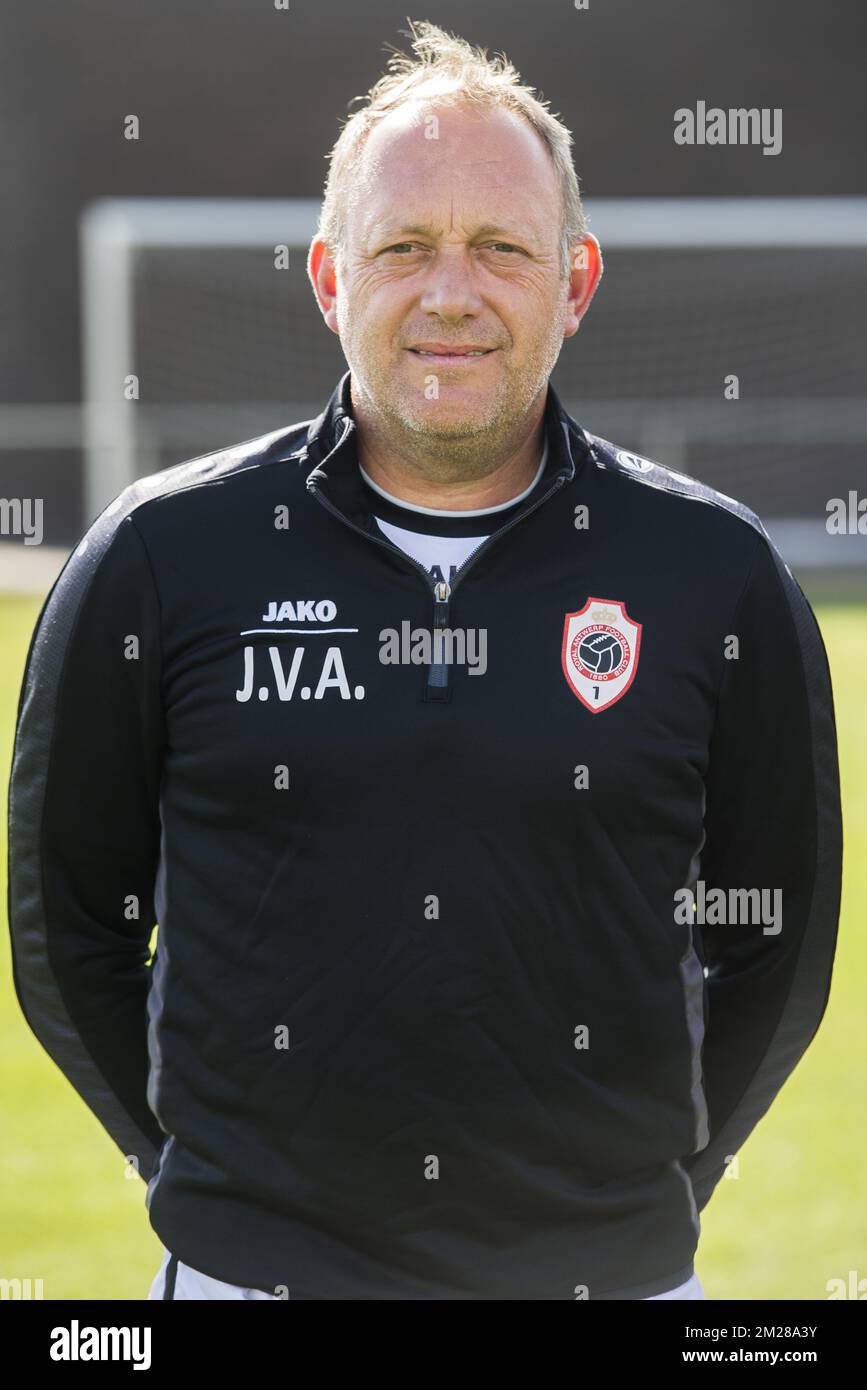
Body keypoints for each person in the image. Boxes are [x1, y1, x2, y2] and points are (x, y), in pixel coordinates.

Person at [7, 20, 841, 1302]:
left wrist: (647, 1189)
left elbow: (779, 943)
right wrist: (210, 1182)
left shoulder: (715, 575)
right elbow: (66, 932)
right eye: (405, 246)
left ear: (576, 280)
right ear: (333, 279)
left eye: (502, 247)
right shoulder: (161, 557)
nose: (451, 291)